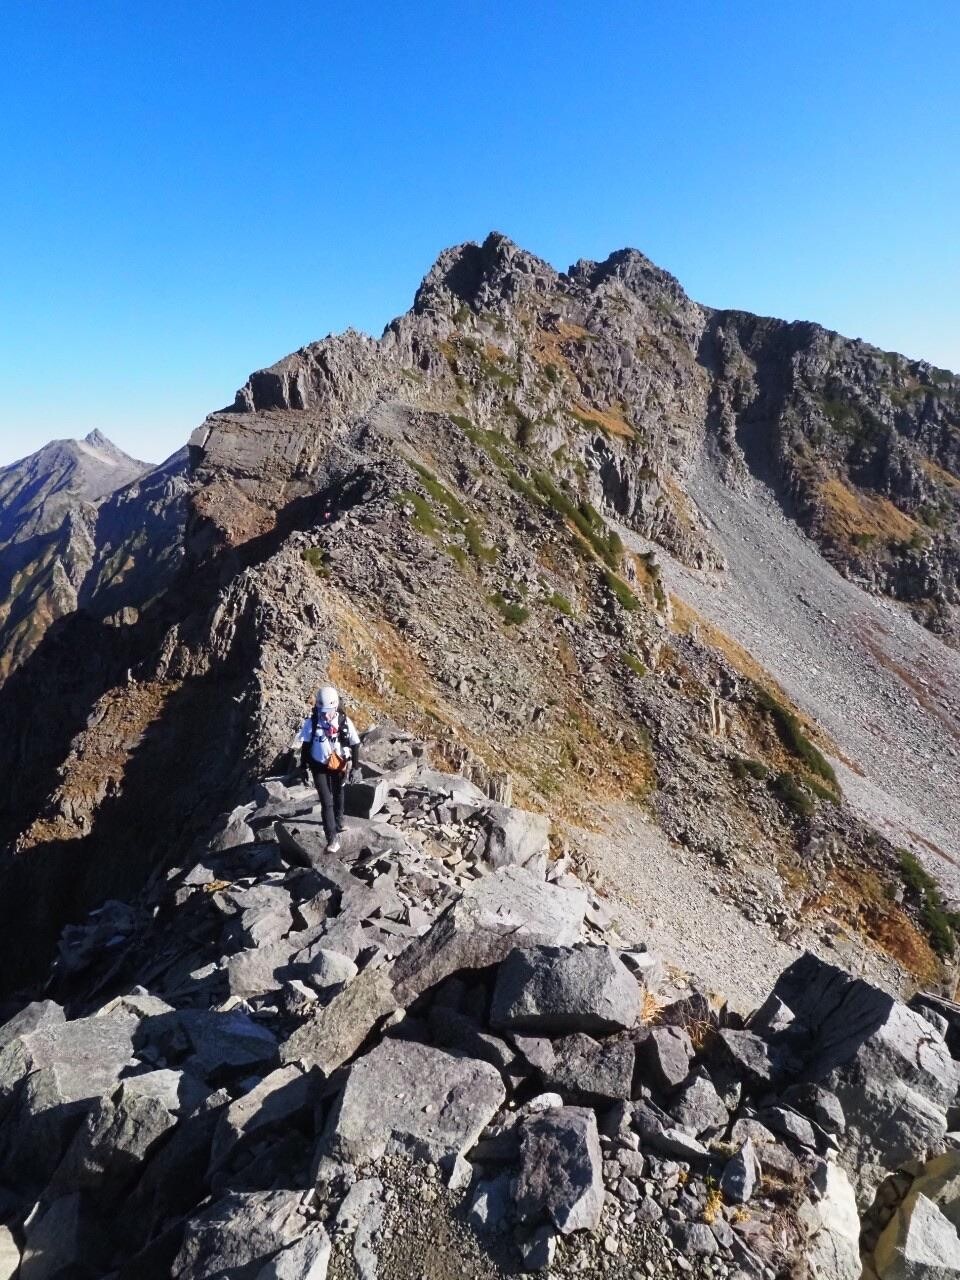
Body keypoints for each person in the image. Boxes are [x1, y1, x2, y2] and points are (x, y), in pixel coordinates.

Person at [299, 684, 361, 853]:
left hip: (338, 764)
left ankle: (339, 821)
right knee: (326, 802)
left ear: (335, 707)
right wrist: (303, 768)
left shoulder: (344, 722)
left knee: (339, 793)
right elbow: (305, 746)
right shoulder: (312, 723)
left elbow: (355, 744)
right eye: (322, 711)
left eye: (329, 711)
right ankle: (332, 838)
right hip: (318, 766)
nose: (326, 715)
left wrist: (356, 768)